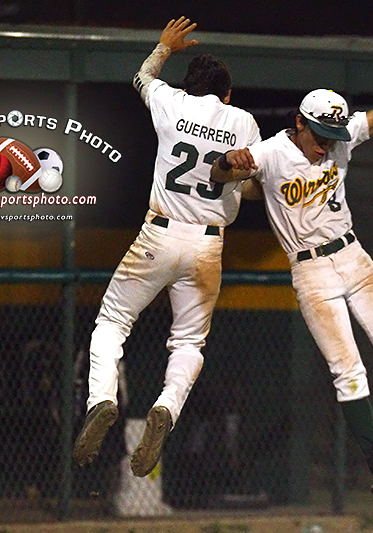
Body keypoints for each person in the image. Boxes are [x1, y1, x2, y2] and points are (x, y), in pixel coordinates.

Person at [210, 27, 373, 496]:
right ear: (300, 123)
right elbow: (223, 172)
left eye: (333, 134)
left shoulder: (341, 139)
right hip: (311, 270)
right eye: (320, 133)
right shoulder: (269, 153)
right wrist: (227, 161)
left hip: (353, 255)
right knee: (348, 369)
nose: (327, 144)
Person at [72, 16, 262, 478]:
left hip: (159, 233)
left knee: (112, 322)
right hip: (208, 246)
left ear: (190, 87)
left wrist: (163, 47)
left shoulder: (171, 102)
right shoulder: (242, 121)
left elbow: (142, 78)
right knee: (189, 342)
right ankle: (167, 409)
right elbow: (253, 180)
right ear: (227, 94)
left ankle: (101, 400)